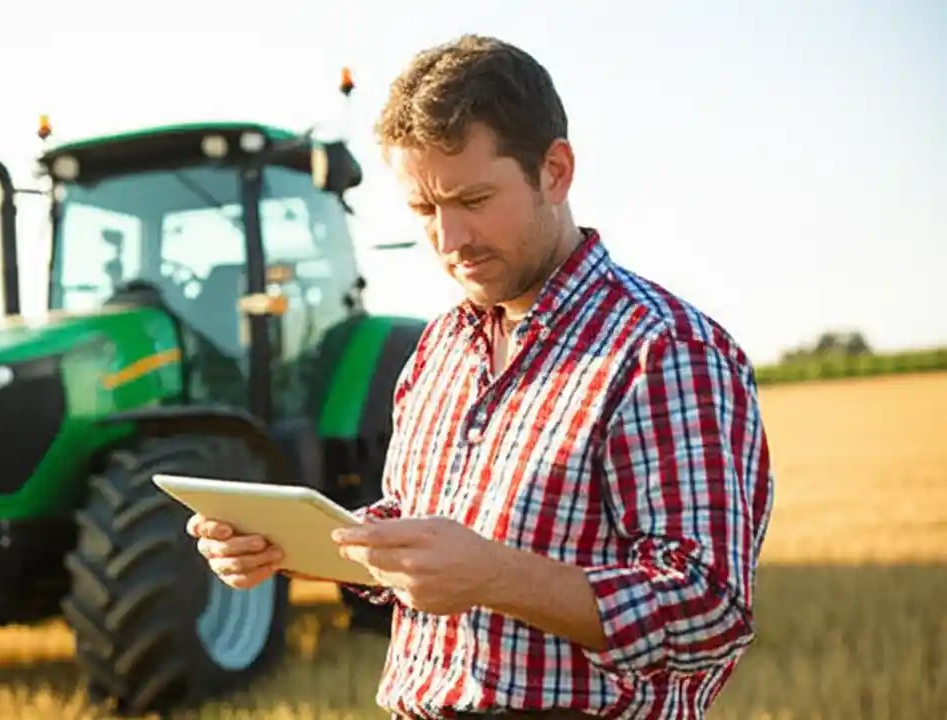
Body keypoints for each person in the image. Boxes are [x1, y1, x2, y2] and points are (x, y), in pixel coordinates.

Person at [186, 34, 774, 719]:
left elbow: (709, 609)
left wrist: (493, 576)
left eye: (473, 199)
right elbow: (417, 535)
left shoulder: (664, 349)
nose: (448, 239)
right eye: (423, 210)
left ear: (555, 171)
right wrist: (284, 544)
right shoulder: (440, 347)